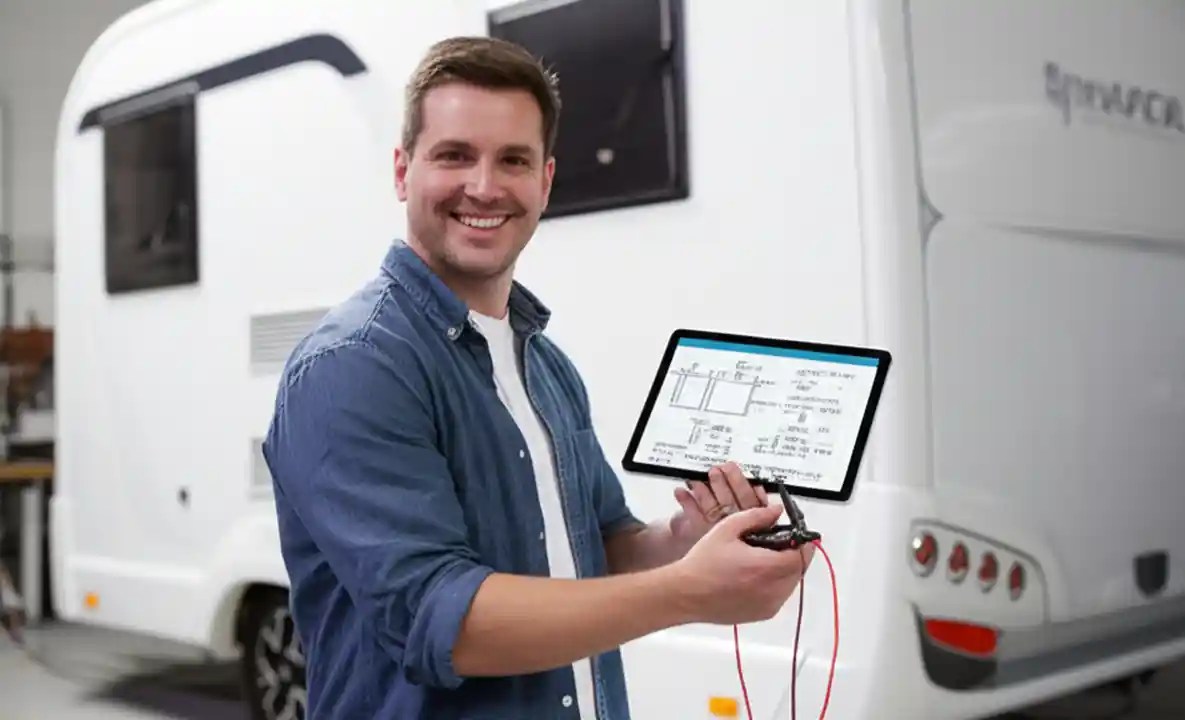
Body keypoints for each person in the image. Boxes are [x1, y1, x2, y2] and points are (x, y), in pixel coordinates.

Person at [262, 36, 812, 720]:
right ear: (403, 171)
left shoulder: (545, 365)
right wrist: (690, 592)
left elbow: (601, 547)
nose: (485, 187)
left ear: (545, 182)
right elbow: (442, 618)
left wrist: (685, 543)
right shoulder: (354, 365)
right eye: (455, 155)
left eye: (513, 160)